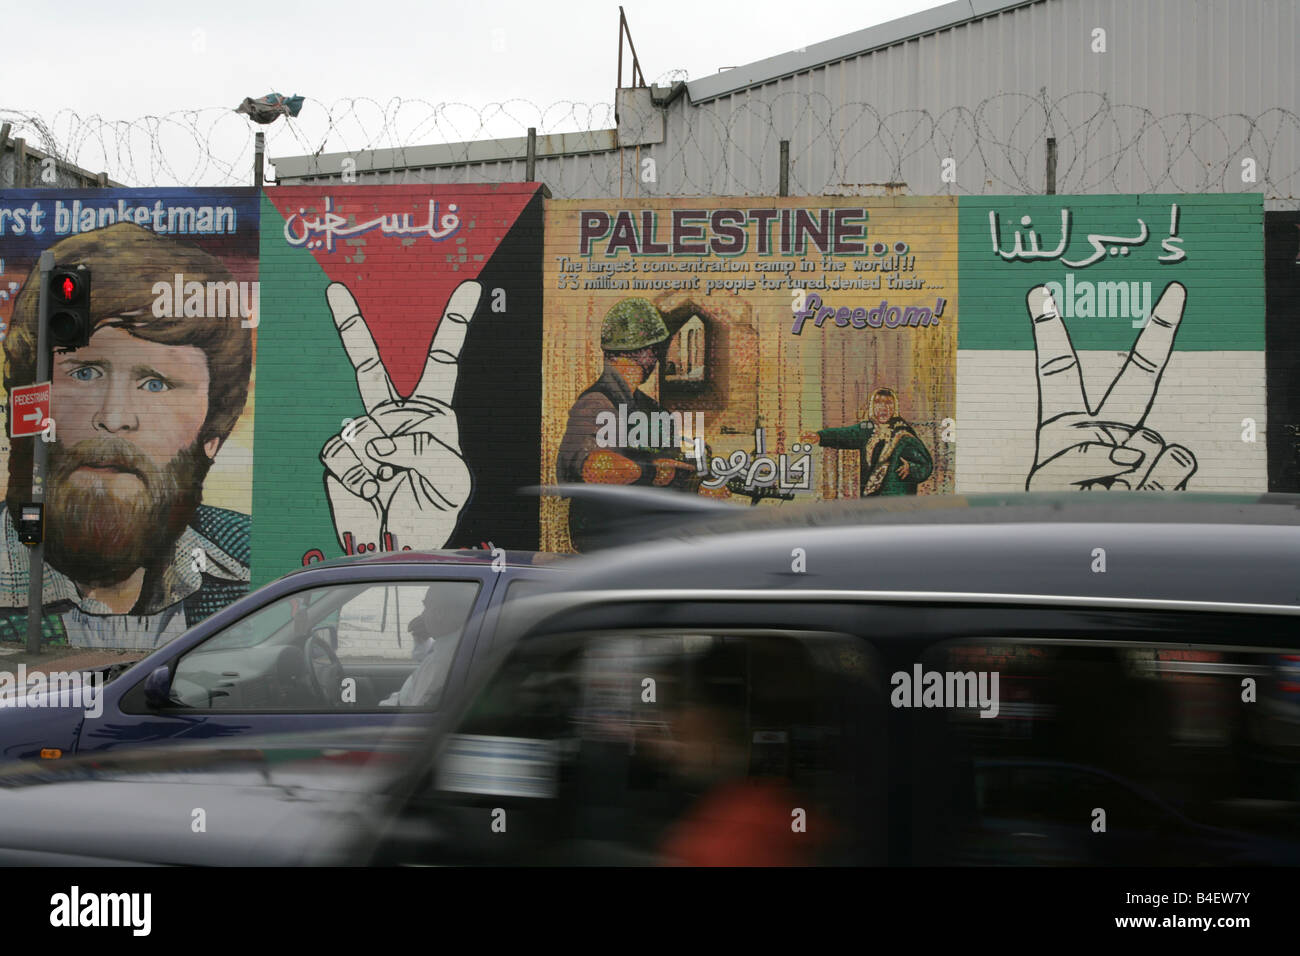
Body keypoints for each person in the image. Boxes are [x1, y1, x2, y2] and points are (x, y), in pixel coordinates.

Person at [0, 223, 253, 649]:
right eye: (85, 373)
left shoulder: (249, 560)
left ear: (213, 432)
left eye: (155, 383)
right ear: (30, 400)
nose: (113, 417)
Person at [555, 298, 703, 552]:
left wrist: (701, 483)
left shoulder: (649, 408)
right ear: (647, 353)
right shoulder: (596, 403)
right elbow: (594, 468)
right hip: (607, 545)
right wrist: (651, 472)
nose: (657, 359)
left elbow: (676, 462)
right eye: (656, 350)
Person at [802, 386, 933, 496]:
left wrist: (910, 468)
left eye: (888, 403)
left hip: (897, 500)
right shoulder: (868, 429)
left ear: (894, 407)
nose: (883, 407)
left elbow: (926, 465)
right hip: (872, 498)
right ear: (872, 407)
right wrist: (820, 437)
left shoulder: (904, 434)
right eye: (878, 402)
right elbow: (845, 435)